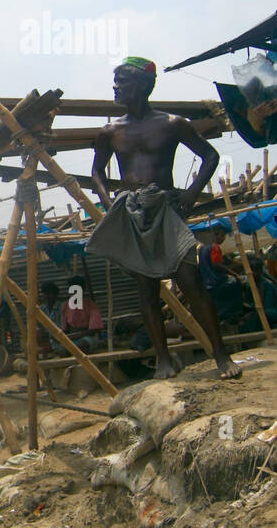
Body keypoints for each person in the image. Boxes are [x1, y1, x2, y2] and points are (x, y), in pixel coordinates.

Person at [88, 56, 241, 379]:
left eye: (123, 83)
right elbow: (97, 172)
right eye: (115, 82)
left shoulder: (172, 123)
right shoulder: (110, 131)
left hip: (166, 209)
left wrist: (190, 193)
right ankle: (163, 360)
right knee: (147, 290)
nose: (116, 88)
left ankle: (221, 355)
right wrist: (109, 202)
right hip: (132, 211)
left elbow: (210, 156)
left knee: (191, 281)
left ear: (143, 86)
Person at [197, 227, 246, 323]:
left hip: (206, 283)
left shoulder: (202, 248)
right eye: (222, 235)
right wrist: (234, 274)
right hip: (216, 282)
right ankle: (235, 311)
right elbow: (216, 265)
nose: (223, 238)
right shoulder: (214, 247)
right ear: (215, 235)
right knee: (238, 283)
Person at [61, 276, 105, 352]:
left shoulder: (91, 305)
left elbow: (93, 330)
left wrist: (75, 336)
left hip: (88, 337)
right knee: (62, 350)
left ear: (83, 290)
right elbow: (64, 329)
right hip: (71, 337)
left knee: (81, 346)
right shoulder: (65, 306)